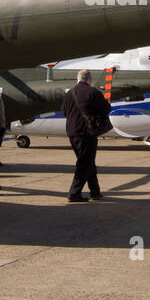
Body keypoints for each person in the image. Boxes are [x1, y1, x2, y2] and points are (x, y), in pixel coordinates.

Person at [61, 69, 111, 202]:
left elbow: (64, 112)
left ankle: (95, 191)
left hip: (72, 132)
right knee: (84, 162)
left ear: (77, 78)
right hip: (87, 132)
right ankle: (74, 193)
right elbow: (107, 109)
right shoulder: (93, 92)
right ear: (89, 79)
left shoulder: (69, 93)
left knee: (88, 162)